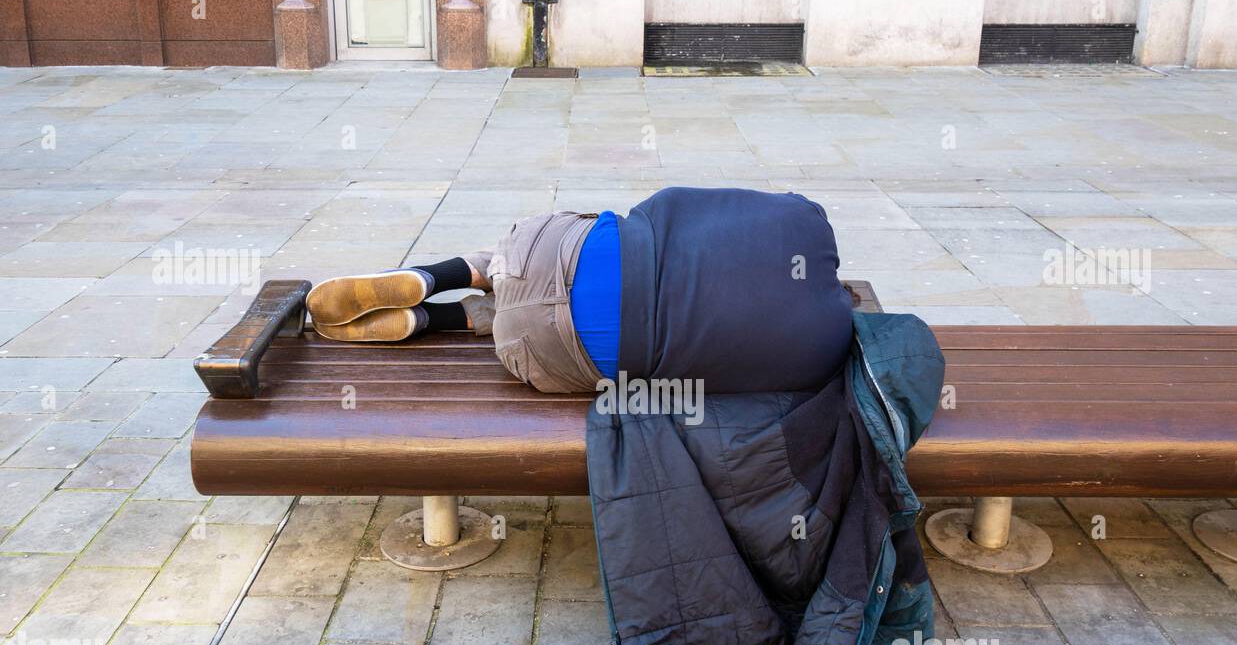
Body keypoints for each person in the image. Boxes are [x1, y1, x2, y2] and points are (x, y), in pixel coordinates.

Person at [305, 187, 854, 394]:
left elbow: (684, 204)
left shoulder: (805, 218)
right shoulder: (817, 355)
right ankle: (430, 322)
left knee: (507, 265)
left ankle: (433, 279)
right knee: (533, 319)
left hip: (546, 256)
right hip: (544, 352)